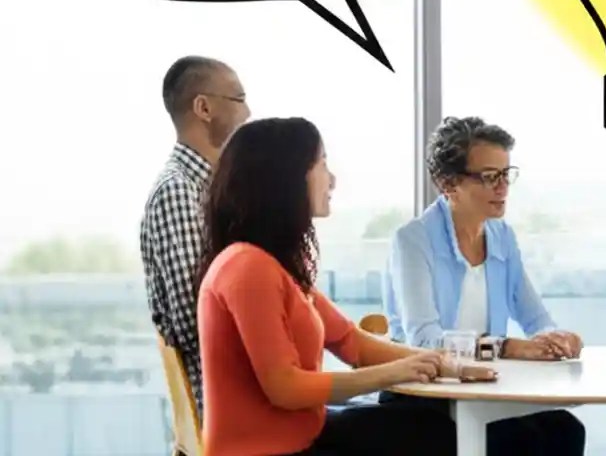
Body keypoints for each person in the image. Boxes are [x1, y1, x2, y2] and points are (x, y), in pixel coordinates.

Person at [196, 116, 498, 456]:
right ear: (285, 179)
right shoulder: (247, 267)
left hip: (303, 435)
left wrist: (443, 362)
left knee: (435, 428)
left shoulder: (276, 268)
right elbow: (286, 388)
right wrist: (393, 373)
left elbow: (351, 342)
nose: (333, 180)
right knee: (443, 439)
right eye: (322, 164)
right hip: (269, 451)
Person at [381, 115, 586, 453]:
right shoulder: (413, 241)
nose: (502, 187)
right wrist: (507, 347)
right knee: (523, 442)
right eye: (489, 177)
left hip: (482, 388)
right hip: (422, 394)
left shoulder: (502, 236)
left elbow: (535, 317)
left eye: (506, 175)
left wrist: (555, 338)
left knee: (564, 429)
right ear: (448, 183)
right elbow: (423, 339)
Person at [140, 56, 250, 416]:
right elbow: (196, 325)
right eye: (239, 99)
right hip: (227, 406)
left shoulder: (209, 191)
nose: (248, 113)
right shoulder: (180, 193)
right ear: (203, 107)